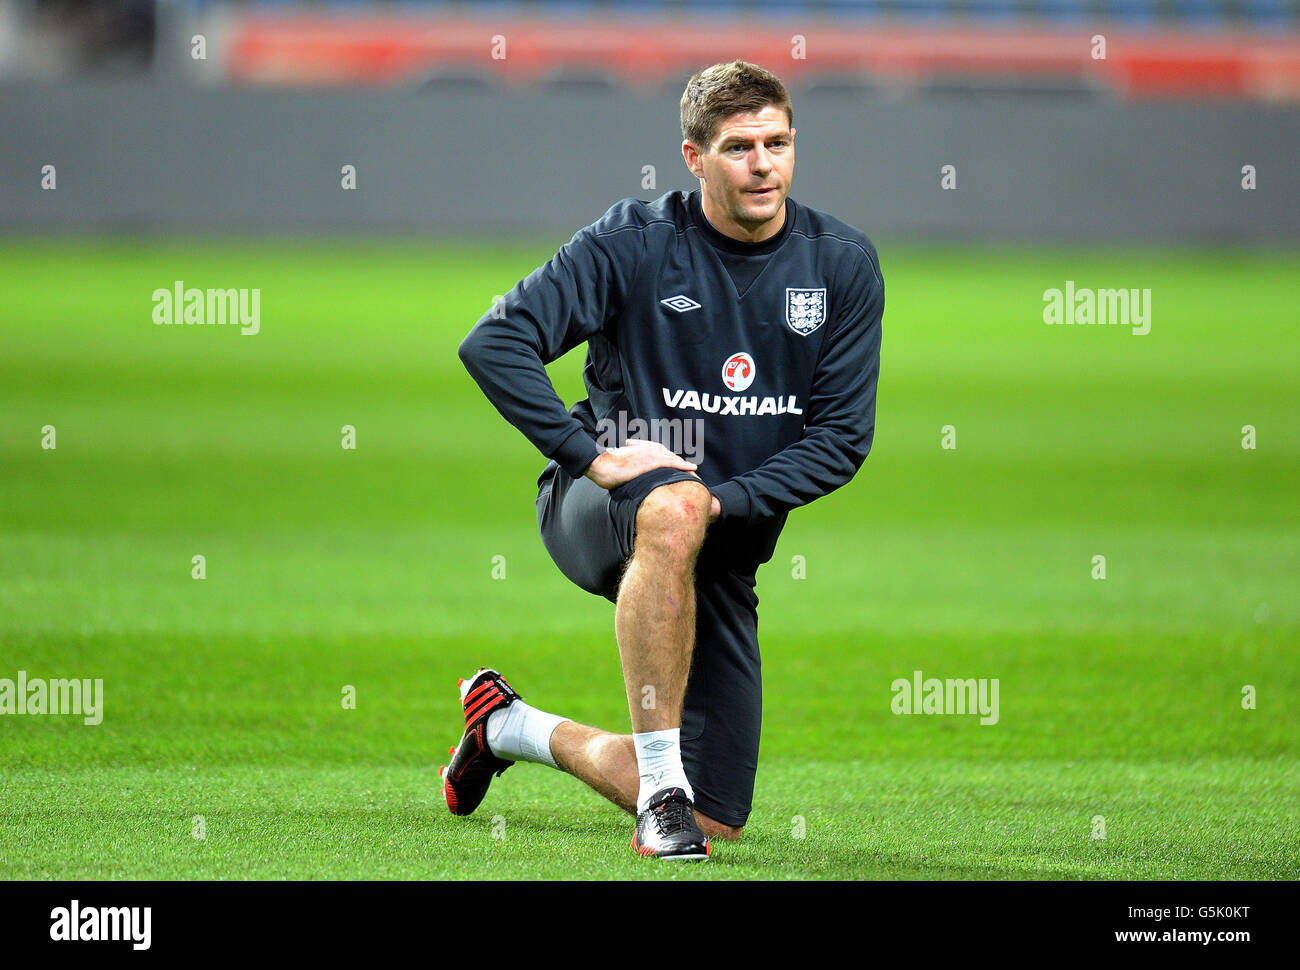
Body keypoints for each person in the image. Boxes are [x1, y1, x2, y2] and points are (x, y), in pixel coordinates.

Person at [445, 60, 884, 861]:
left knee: (717, 811)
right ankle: (661, 801)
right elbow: (494, 341)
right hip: (599, 510)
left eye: (778, 142)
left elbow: (842, 439)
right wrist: (587, 457)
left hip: (718, 546)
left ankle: (508, 727)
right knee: (674, 502)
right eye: (739, 146)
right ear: (694, 157)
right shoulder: (634, 241)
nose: (763, 163)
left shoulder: (841, 266)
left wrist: (724, 501)